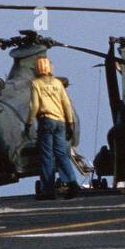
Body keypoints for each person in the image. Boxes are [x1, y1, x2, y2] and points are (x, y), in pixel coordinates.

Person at [25, 55, 81, 199]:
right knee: (62, 154)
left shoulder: (36, 83)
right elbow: (66, 104)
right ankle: (73, 183)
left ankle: (48, 191)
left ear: (37, 69)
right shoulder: (57, 83)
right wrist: (70, 123)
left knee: (47, 157)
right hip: (61, 122)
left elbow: (35, 105)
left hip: (46, 121)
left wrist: (29, 122)